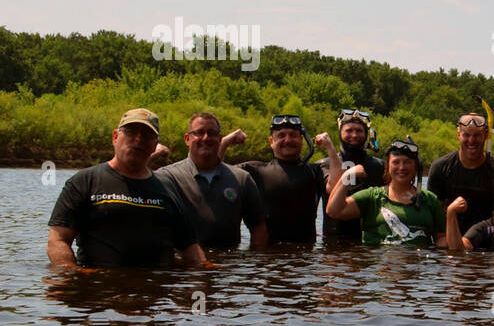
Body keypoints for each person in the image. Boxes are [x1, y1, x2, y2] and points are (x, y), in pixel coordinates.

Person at [47, 108, 205, 268]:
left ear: (155, 145)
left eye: (146, 135)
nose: (138, 139)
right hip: (100, 287)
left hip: (157, 288)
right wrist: (71, 272)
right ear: (115, 137)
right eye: (130, 132)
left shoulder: (167, 186)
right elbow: (58, 240)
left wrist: (208, 272)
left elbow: (189, 246)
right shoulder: (85, 181)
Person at [155, 112, 268, 250]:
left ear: (220, 139)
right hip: (185, 267)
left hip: (228, 267)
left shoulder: (242, 179)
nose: (206, 138)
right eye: (199, 133)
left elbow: (258, 228)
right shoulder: (167, 177)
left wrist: (253, 264)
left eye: (212, 133)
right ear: (187, 139)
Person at [225, 115, 340, 245]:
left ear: (302, 140)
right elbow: (214, 171)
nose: (288, 140)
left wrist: (330, 148)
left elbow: (335, 186)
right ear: (271, 141)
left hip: (306, 260)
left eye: (293, 135)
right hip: (266, 259)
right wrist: (225, 142)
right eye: (281, 136)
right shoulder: (255, 170)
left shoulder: (315, 170)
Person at [325, 138, 446, 247]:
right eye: (396, 162)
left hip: (417, 267)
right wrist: (347, 176)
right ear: (387, 167)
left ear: (416, 167)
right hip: (380, 268)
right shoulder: (373, 197)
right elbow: (334, 210)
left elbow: (441, 238)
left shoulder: (429, 199)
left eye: (407, 162)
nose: (402, 167)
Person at [426, 112, 494, 232]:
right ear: (458, 134)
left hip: (485, 241)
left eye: (477, 135)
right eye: (466, 135)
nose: (471, 141)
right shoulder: (440, 167)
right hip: (449, 239)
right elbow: (434, 217)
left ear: (486, 136)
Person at [323, 109, 385, 241]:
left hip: (371, 241)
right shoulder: (324, 165)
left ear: (367, 134)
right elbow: (331, 189)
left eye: (359, 131)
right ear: (340, 132)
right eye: (349, 131)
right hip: (333, 243)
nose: (354, 135)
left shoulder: (380, 167)